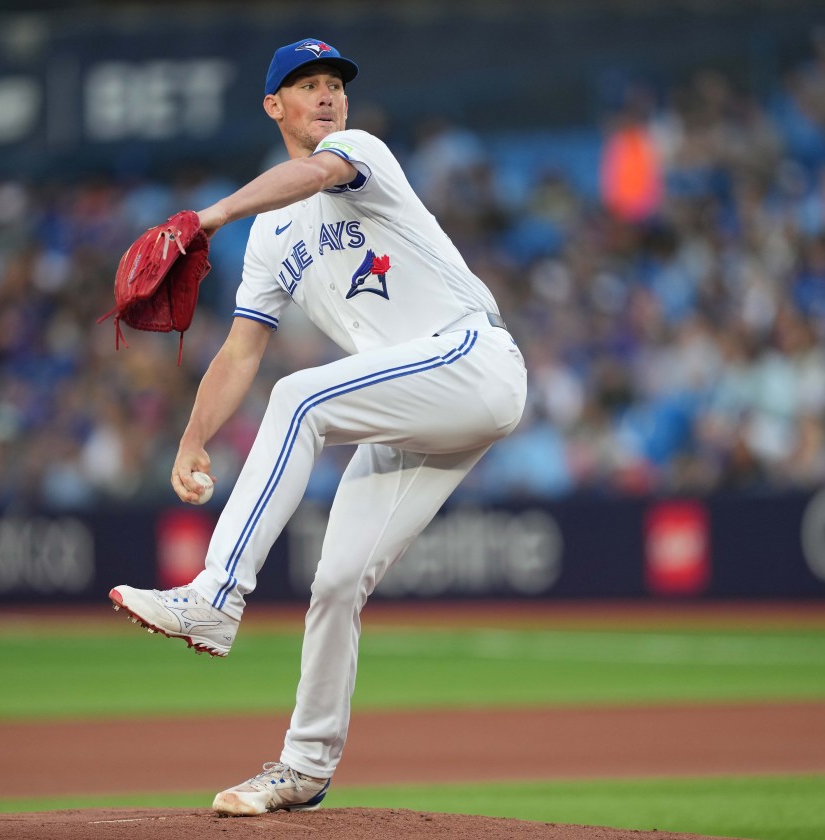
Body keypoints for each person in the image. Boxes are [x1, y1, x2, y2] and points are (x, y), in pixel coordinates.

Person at [109, 37, 527, 817]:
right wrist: (192, 439)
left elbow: (314, 173)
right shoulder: (272, 238)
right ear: (273, 105)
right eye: (307, 85)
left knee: (299, 397)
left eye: (335, 82)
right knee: (336, 582)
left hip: (472, 359)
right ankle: (305, 764)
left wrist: (211, 213)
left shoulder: (355, 151)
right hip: (411, 405)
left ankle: (217, 595)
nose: (328, 94)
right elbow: (239, 351)